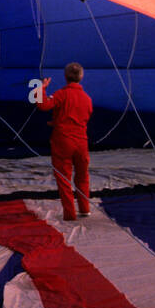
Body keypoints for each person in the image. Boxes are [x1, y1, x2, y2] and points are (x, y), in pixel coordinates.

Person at [35, 62, 93, 221]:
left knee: (63, 177)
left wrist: (41, 88)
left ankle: (70, 213)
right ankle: (85, 209)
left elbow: (42, 105)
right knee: (82, 176)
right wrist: (58, 120)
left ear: (65, 77)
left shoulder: (61, 94)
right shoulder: (87, 99)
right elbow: (81, 118)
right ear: (81, 77)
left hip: (63, 141)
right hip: (81, 142)